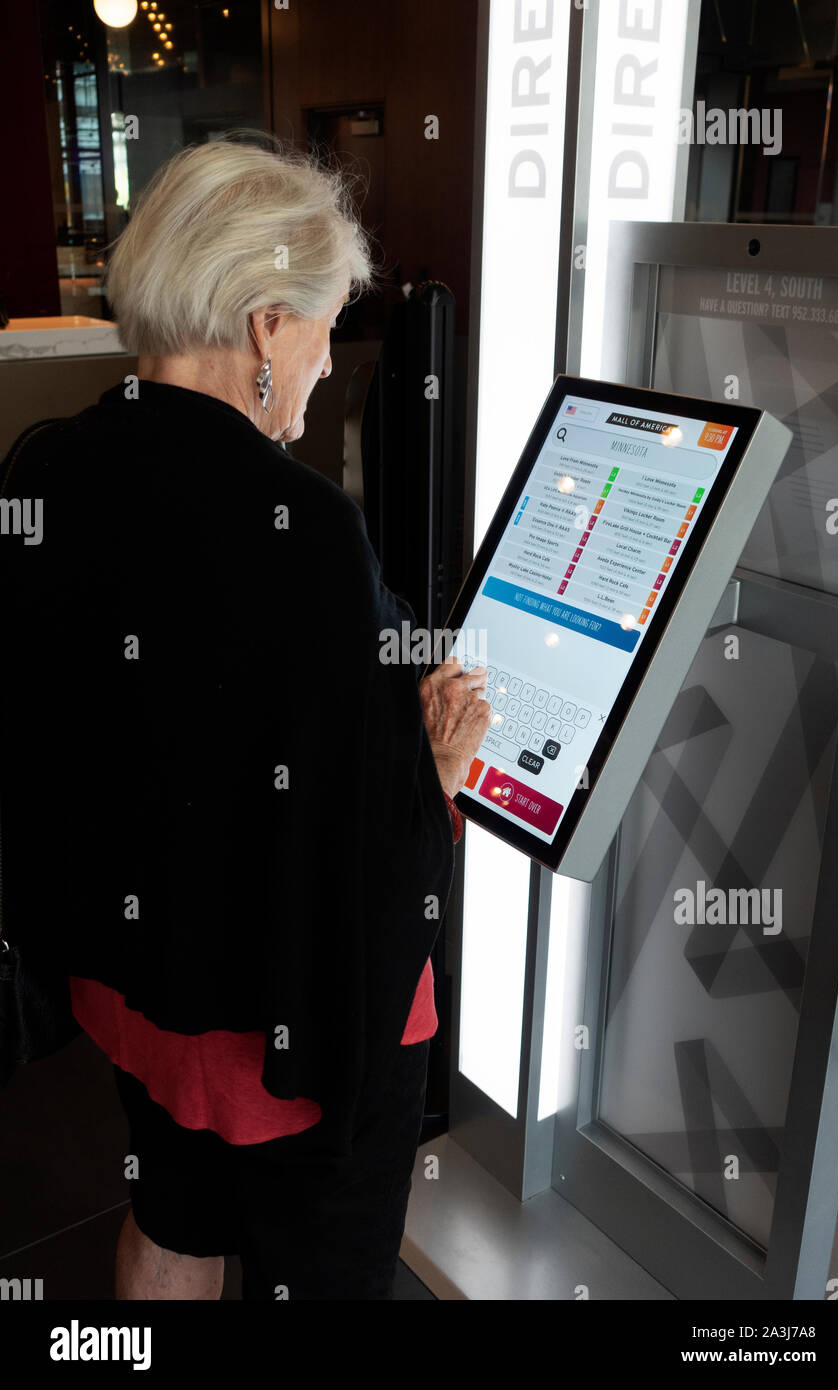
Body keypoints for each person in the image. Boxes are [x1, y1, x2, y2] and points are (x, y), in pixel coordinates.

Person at [0, 136, 491, 1300]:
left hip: (130, 994)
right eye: (323, 327)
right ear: (268, 323)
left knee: (171, 1219)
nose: (326, 366)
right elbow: (361, 855)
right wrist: (436, 776)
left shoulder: (49, 465)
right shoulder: (302, 529)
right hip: (281, 1034)